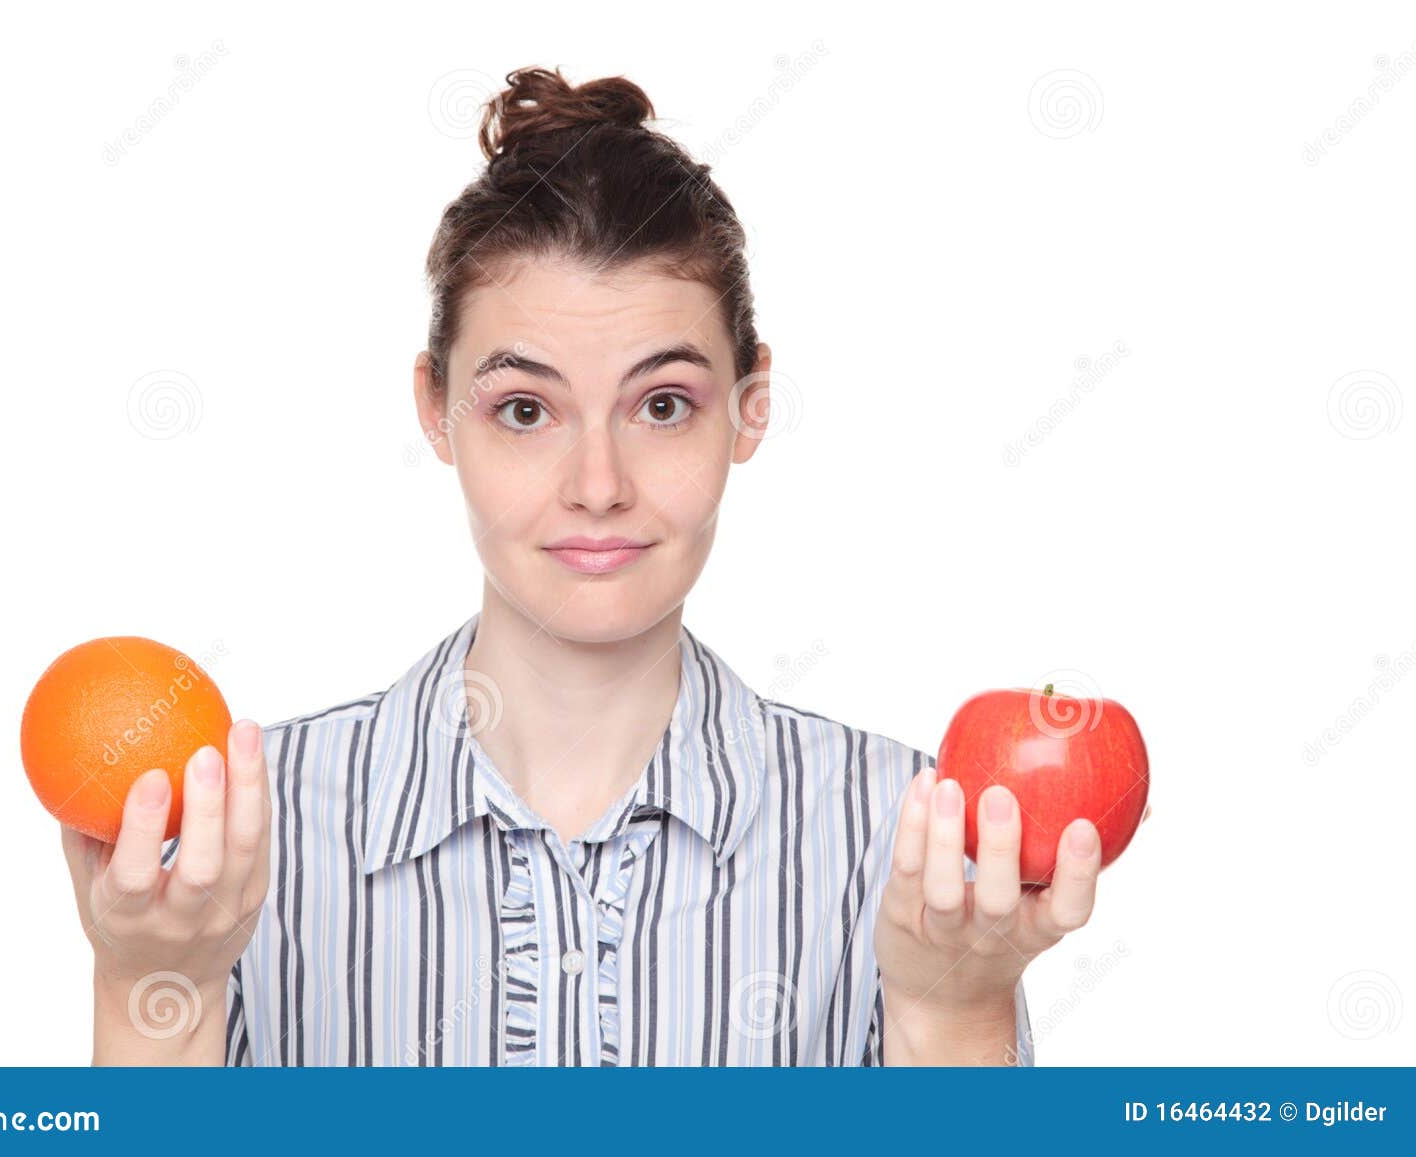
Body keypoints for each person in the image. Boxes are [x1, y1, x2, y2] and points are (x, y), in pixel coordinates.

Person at [62, 65, 1120, 1067]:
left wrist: (955, 1007)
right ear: (436, 409)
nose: (598, 482)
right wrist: (156, 986)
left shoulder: (905, 833)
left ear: (751, 405)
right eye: (525, 409)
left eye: (663, 405)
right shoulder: (231, 837)